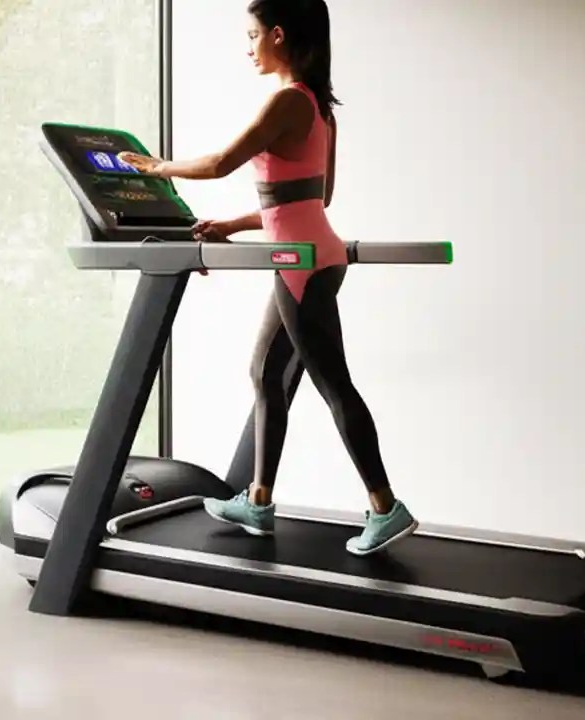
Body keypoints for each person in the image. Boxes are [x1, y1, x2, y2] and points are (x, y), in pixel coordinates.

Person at [118, 0, 416, 556]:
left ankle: (385, 506)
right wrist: (233, 223)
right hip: (311, 256)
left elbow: (221, 162)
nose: (248, 47)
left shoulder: (286, 101)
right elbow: (311, 197)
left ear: (278, 35)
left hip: (301, 265)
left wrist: (155, 167)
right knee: (265, 372)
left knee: (332, 384)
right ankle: (257, 499)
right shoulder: (320, 108)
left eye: (253, 35)